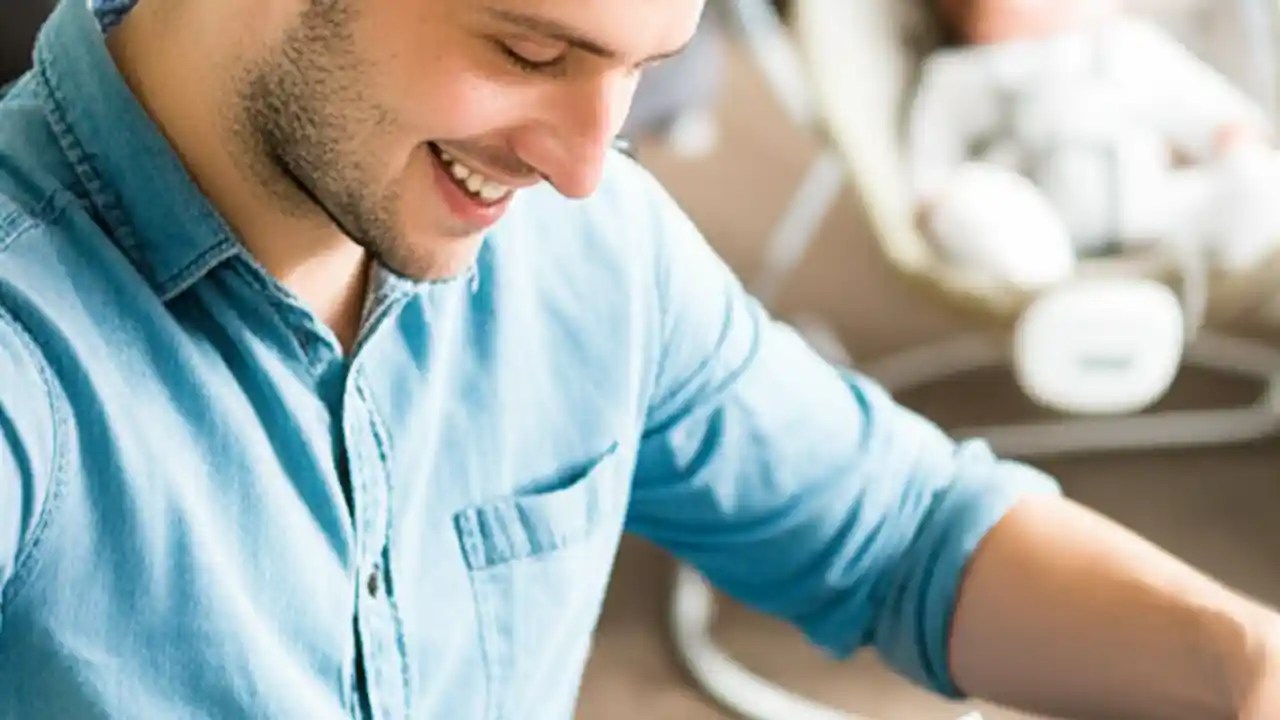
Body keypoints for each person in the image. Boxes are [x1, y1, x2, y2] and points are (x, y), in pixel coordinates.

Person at [0, 1, 1276, 718]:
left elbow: (900, 535)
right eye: (531, 52)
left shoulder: (588, 244)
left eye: (640, 72)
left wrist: (1240, 664)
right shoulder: (29, 360)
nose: (582, 165)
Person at [909, 0, 1280, 282]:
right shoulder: (963, 73)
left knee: (1260, 180)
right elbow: (930, 163)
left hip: (1155, 218)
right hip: (1044, 228)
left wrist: (1232, 136)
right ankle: (1044, 279)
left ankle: (1211, 255)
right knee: (974, 198)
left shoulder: (1129, 45)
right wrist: (940, 195)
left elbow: (1215, 112)